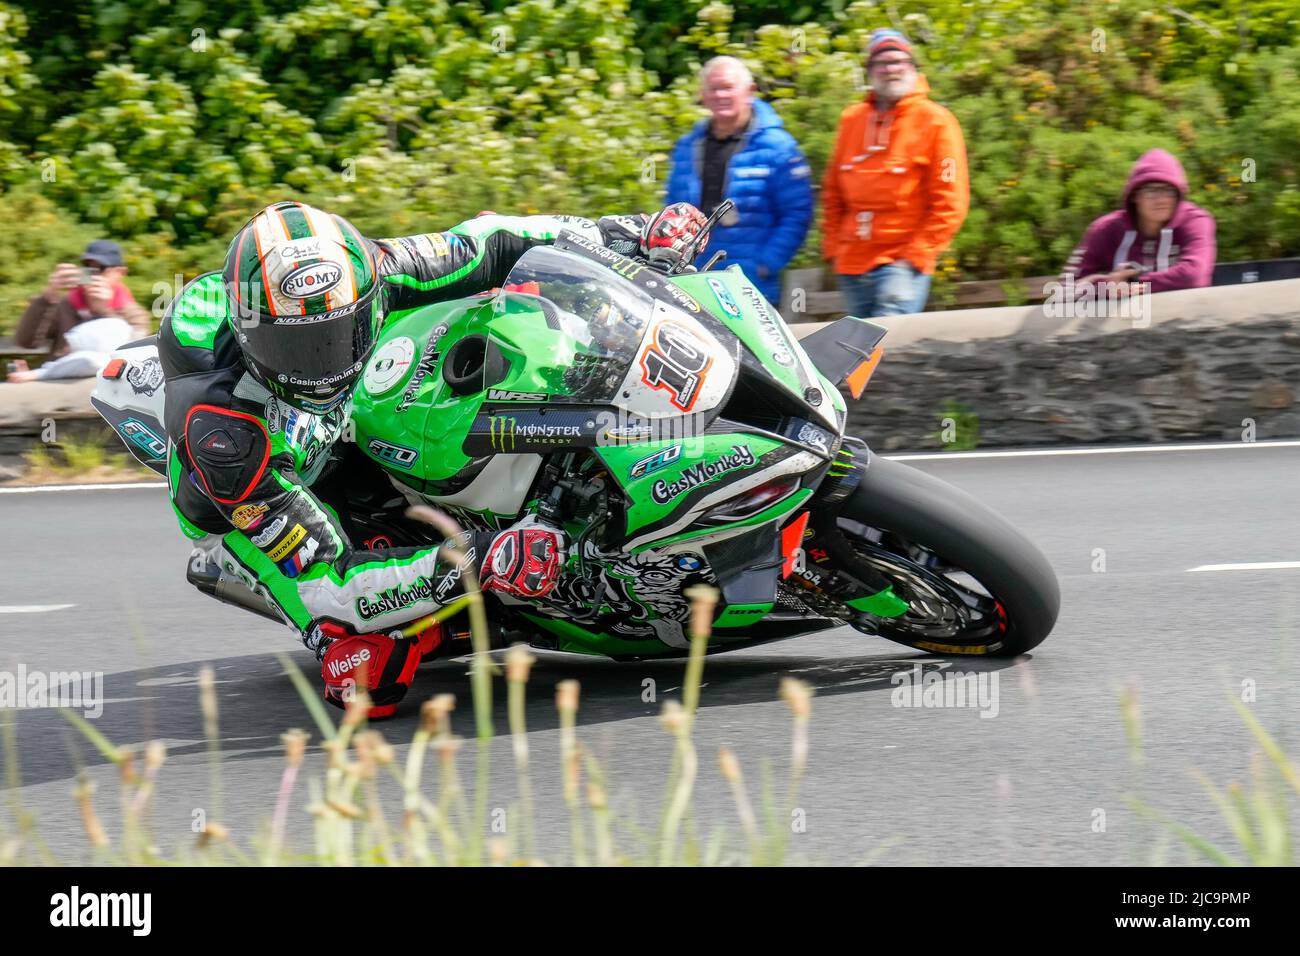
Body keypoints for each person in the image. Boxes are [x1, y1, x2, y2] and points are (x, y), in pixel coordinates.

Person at [161, 199, 706, 717]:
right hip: (254, 498)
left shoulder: (375, 268)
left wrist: (629, 230)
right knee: (363, 667)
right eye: (298, 348)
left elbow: (489, 241)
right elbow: (330, 583)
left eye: (338, 334)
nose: (323, 363)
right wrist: (481, 558)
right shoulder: (225, 439)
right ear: (251, 334)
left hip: (348, 419)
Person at [821, 29, 969, 317]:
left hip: (902, 266)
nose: (890, 69)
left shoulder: (937, 121)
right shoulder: (851, 119)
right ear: (869, 71)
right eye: (882, 63)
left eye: (898, 61)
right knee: (857, 354)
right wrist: (834, 247)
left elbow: (951, 203)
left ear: (912, 68)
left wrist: (916, 256)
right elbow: (832, 191)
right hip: (851, 264)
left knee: (885, 347)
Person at [665, 56, 813, 304]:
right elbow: (672, 211)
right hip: (694, 281)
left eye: (728, 87)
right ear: (703, 94)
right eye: (714, 88)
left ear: (749, 91)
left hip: (751, 284)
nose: (721, 95)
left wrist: (766, 264)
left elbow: (797, 213)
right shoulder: (688, 146)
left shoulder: (777, 146)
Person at [1060, 148, 1216, 295]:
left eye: (1169, 190)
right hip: (1124, 322)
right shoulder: (1105, 229)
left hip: (1183, 320)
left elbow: (1194, 276)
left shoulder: (1196, 221)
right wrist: (1106, 288)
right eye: (1151, 190)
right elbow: (1063, 290)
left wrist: (1133, 284)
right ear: (1134, 196)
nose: (1161, 199)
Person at [9, 240, 150, 381]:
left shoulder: (134, 315)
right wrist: (47, 296)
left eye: (100, 268)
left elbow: (135, 360)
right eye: (87, 267)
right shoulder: (64, 305)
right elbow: (26, 342)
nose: (93, 275)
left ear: (120, 272)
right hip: (57, 386)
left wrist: (104, 311)